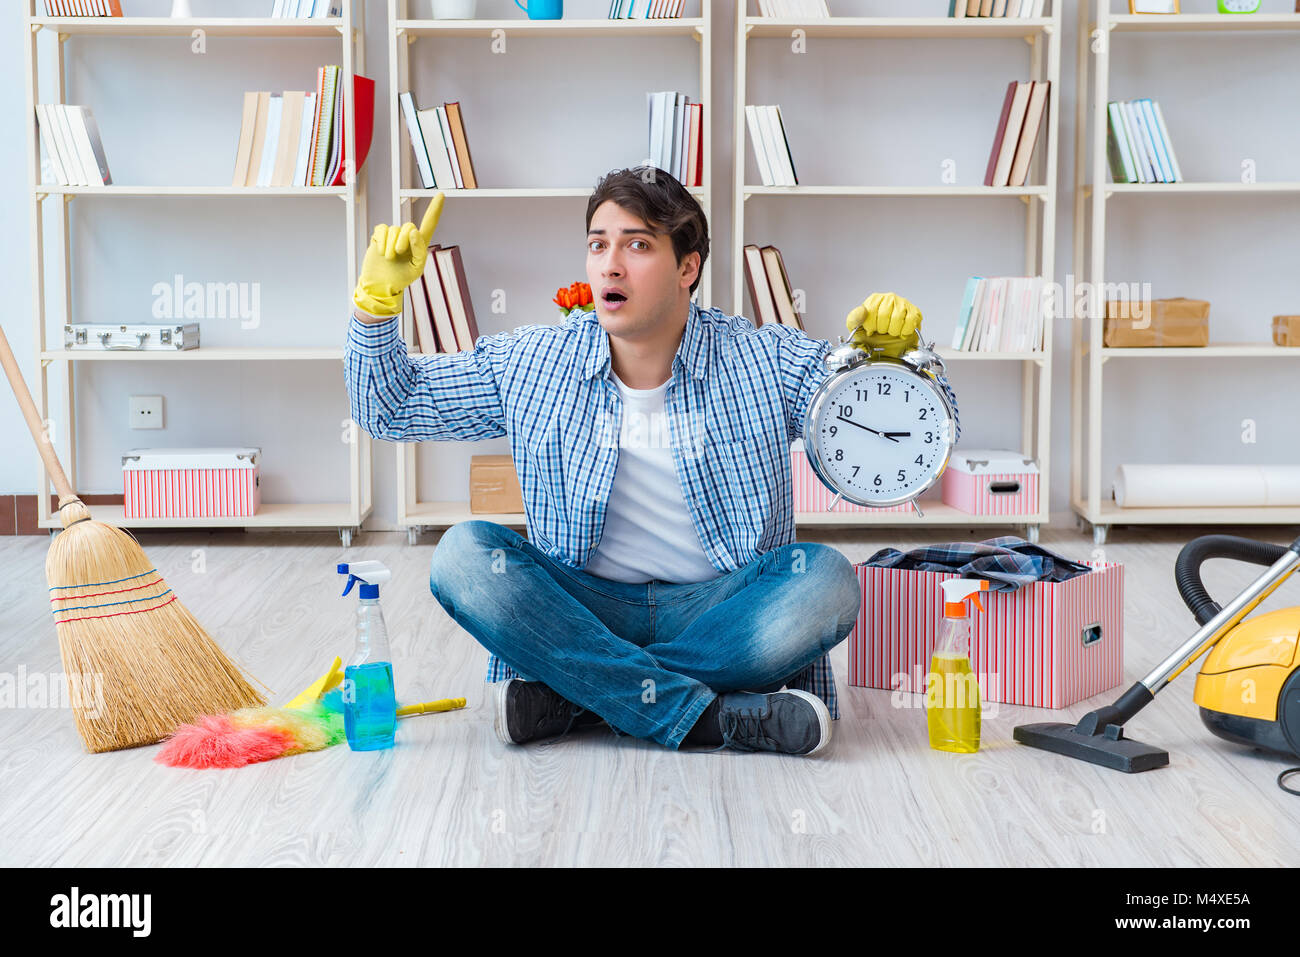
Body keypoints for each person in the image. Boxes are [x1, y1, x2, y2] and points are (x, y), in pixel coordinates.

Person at [345, 166, 944, 756]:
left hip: (722, 612)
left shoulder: (764, 358)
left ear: (688, 267)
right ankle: (712, 718)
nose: (611, 264)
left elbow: (920, 438)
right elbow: (391, 409)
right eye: (598, 245)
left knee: (826, 581)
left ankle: (581, 698)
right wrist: (377, 307)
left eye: (637, 245)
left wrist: (898, 366)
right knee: (464, 557)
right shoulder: (531, 362)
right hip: (583, 610)